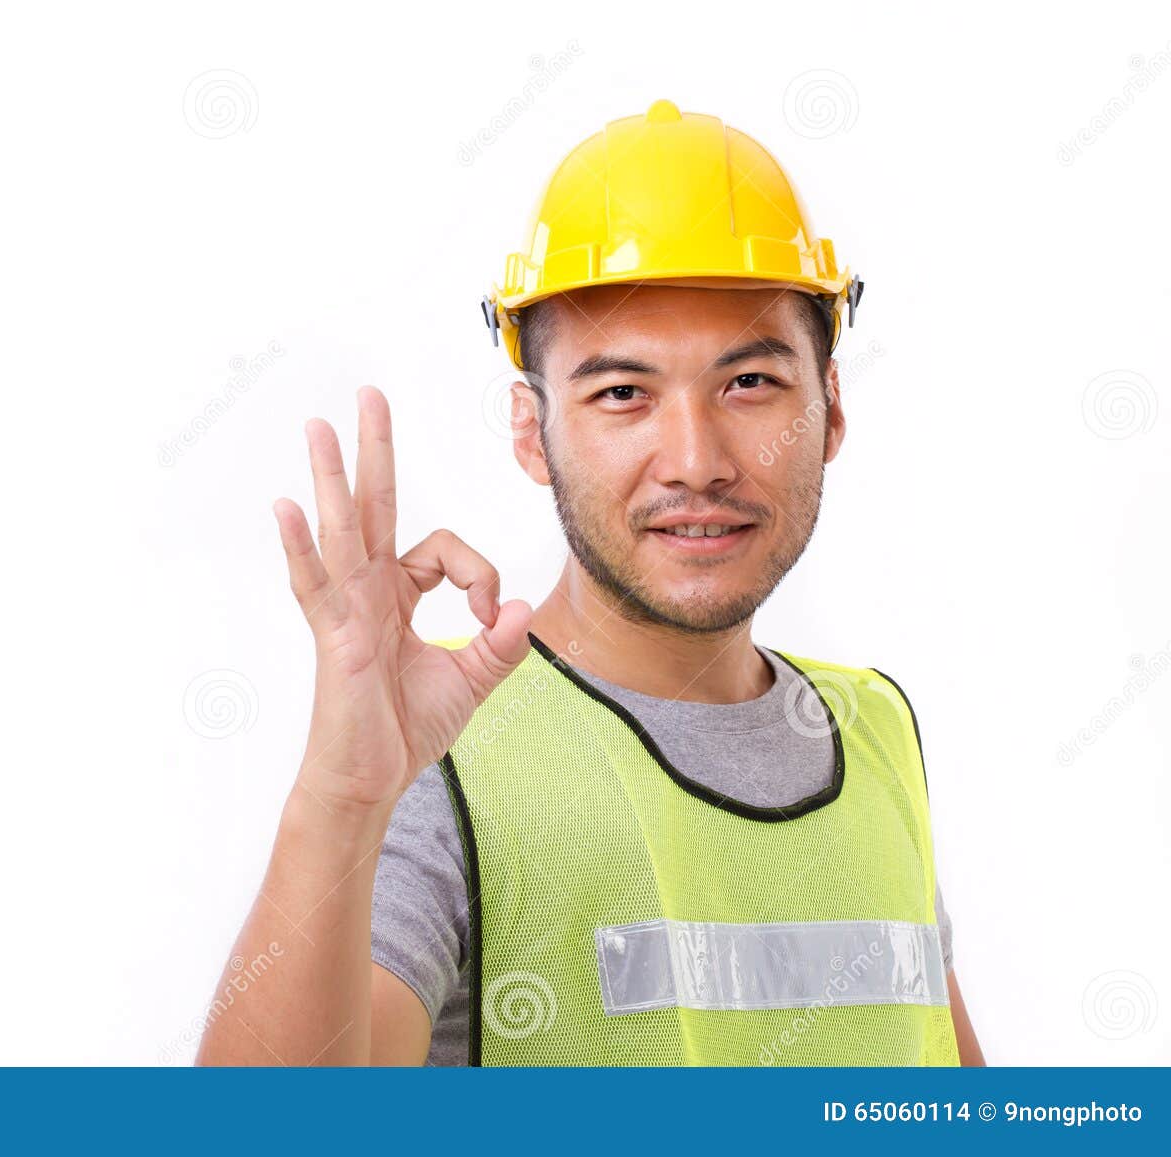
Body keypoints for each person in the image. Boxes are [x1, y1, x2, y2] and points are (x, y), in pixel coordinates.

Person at [196, 100, 984, 1066]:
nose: (695, 460)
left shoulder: (873, 732)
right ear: (534, 435)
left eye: (750, 383)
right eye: (623, 393)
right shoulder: (439, 748)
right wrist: (343, 800)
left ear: (830, 413)